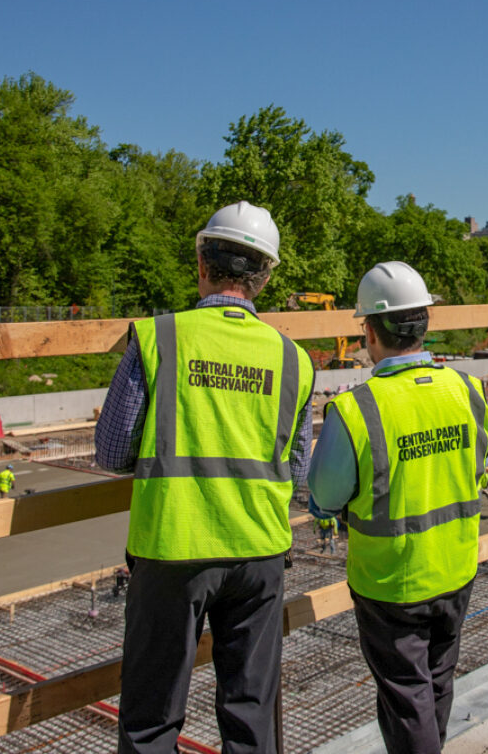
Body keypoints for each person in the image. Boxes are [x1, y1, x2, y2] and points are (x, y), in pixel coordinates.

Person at [94, 201, 315, 754]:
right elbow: (299, 466)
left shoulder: (157, 337)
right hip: (260, 550)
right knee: (250, 715)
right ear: (265, 277)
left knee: (151, 719)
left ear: (201, 262)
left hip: (174, 547)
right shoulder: (294, 360)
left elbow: (113, 451)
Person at [308, 261, 488, 754]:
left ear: (369, 330)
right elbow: (483, 449)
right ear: (424, 323)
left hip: (391, 581)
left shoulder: (356, 409)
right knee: (437, 680)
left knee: (405, 696)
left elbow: (326, 498)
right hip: (455, 566)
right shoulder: (466, 391)